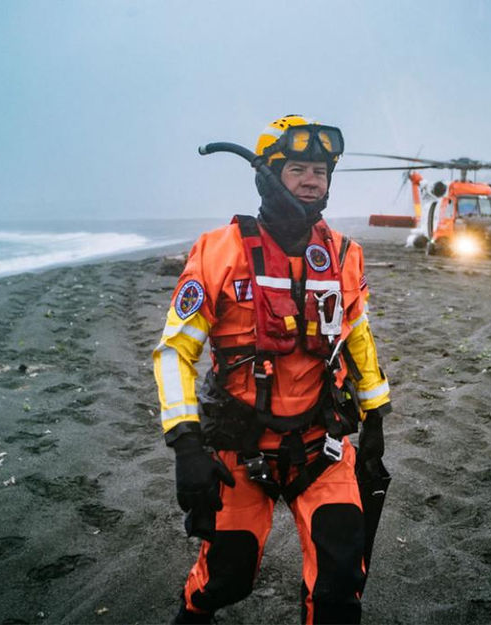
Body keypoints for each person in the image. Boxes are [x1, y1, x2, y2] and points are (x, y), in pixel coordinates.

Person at [153, 115, 392, 624]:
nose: (312, 180)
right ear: (268, 175)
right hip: (239, 452)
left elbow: (358, 337)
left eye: (321, 171)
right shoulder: (219, 253)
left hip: (321, 446)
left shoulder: (346, 255)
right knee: (225, 580)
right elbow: (176, 350)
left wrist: (375, 418)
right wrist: (185, 443)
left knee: (340, 583)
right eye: (299, 168)